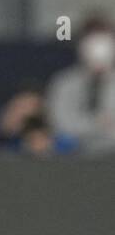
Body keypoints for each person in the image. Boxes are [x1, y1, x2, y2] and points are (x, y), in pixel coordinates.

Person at [46, 14, 115, 154]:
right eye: (93, 43)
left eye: (104, 43)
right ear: (82, 46)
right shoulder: (63, 83)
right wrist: (97, 123)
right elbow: (61, 125)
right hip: (73, 160)